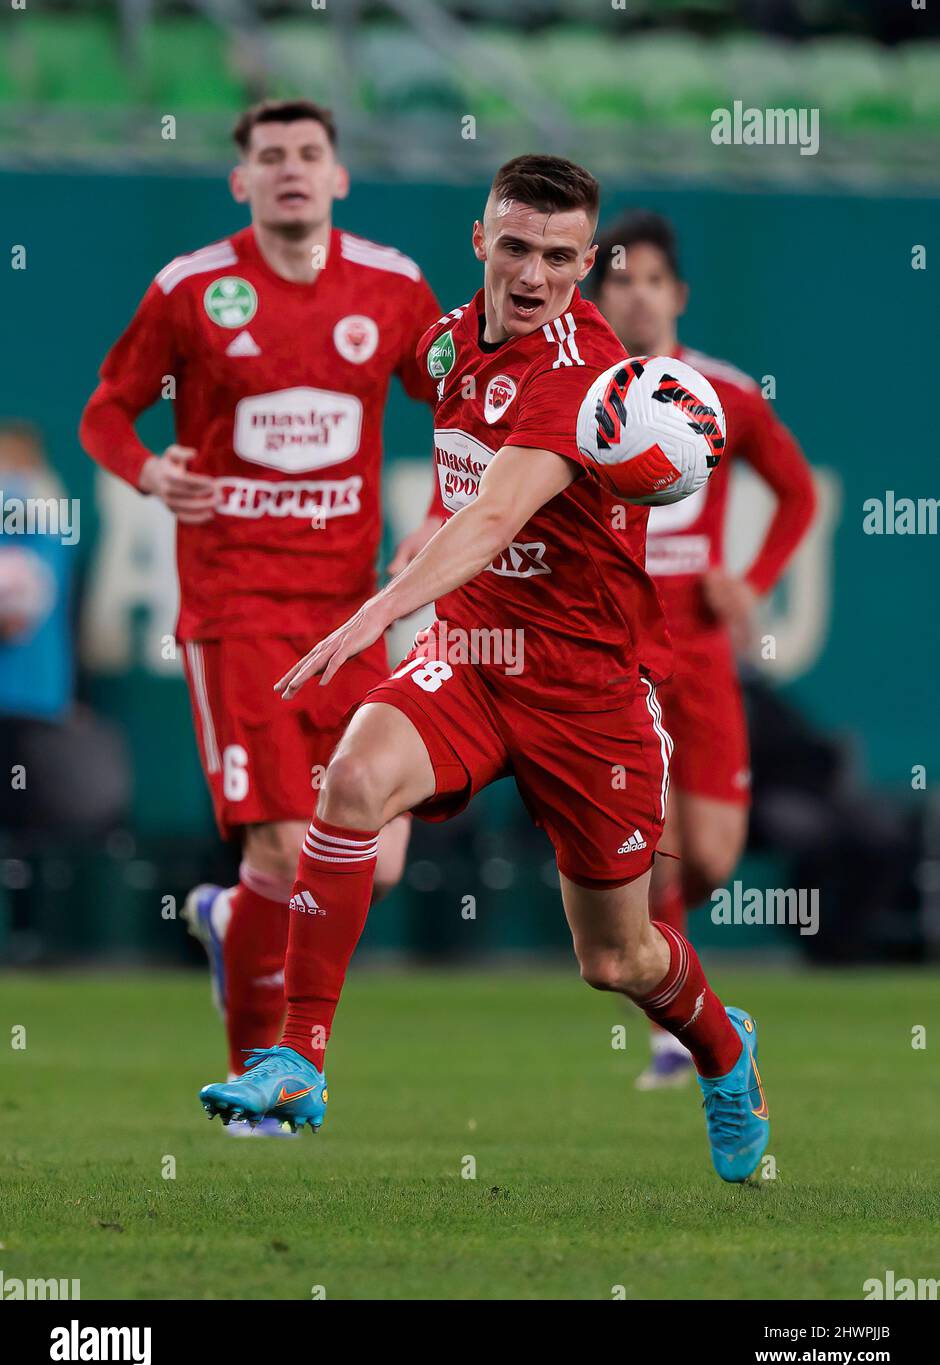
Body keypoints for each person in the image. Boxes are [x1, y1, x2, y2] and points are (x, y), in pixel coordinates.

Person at [198, 155, 769, 1183]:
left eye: (559, 257)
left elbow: (498, 511)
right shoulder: (449, 339)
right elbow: (453, 465)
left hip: (585, 687)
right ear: (480, 243)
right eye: (516, 248)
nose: (535, 274)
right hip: (470, 654)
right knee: (355, 780)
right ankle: (298, 1058)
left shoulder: (582, 375)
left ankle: (725, 1051)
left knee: (617, 960)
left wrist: (369, 612)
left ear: (586, 263)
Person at [80, 99, 443, 1130]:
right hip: (235, 607)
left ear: (338, 178)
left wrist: (448, 517)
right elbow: (105, 408)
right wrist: (149, 469)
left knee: (369, 859)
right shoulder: (193, 291)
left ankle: (235, 920)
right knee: (288, 851)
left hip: (352, 615)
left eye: (309, 155)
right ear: (240, 182)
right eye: (269, 156)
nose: (290, 170)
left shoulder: (393, 287)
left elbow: (461, 407)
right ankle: (261, 1083)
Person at [593, 211, 816, 1089]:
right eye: (621, 279)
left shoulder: (725, 393)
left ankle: (683, 997)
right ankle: (677, 1032)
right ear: (598, 294)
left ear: (678, 294)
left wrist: (753, 578)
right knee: (659, 842)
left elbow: (797, 494)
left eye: (653, 279)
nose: (638, 294)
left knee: (714, 853)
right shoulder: (577, 399)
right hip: (621, 646)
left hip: (705, 648)